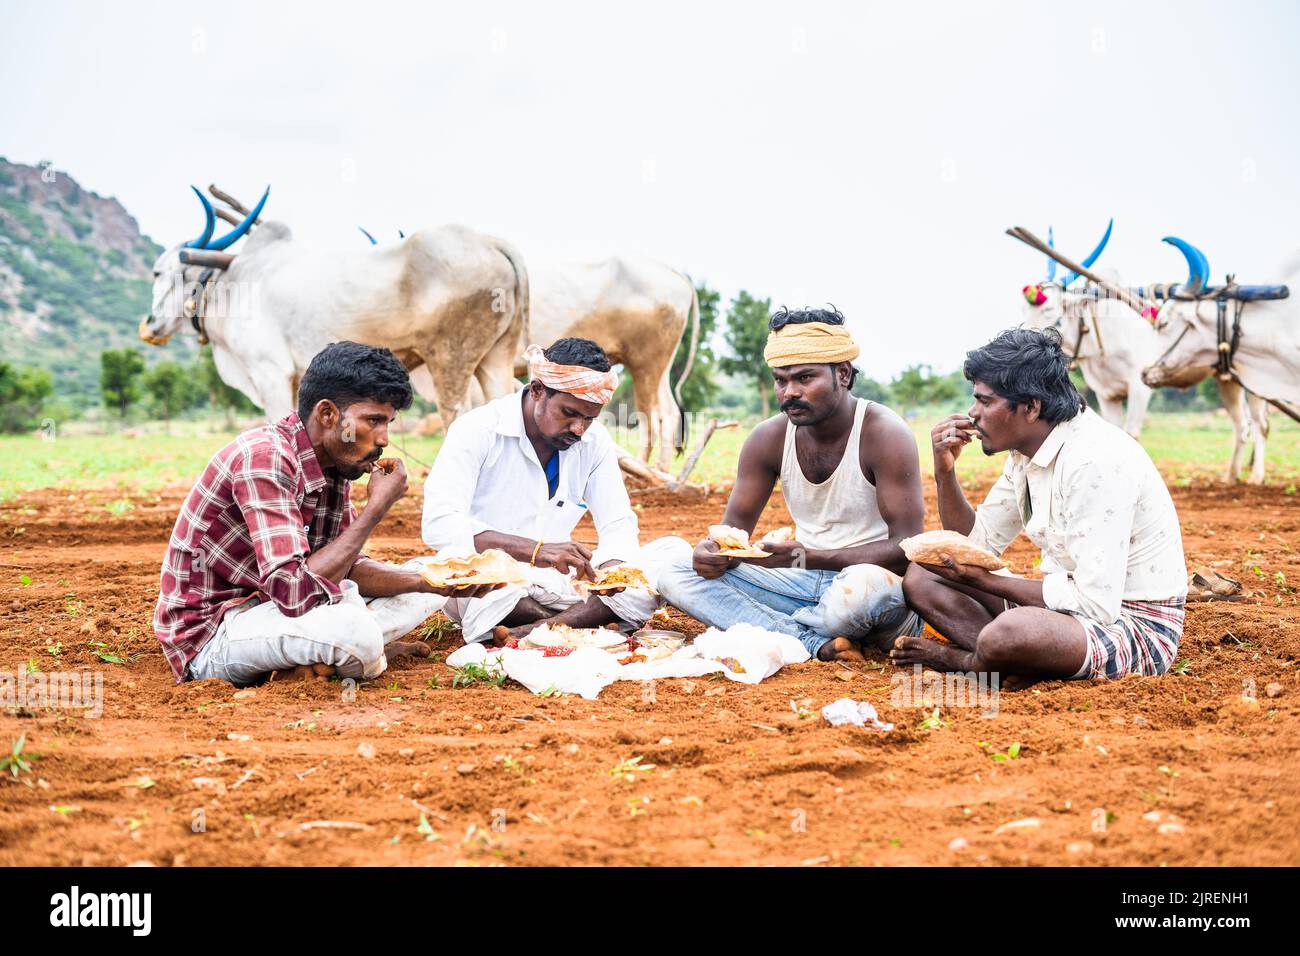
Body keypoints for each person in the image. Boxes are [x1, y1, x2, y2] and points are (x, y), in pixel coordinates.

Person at [153, 342, 496, 686]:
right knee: (354, 631)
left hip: (282, 608)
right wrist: (374, 510)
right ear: (328, 414)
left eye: (388, 422)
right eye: (373, 421)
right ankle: (359, 651)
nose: (384, 439)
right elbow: (293, 592)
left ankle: (336, 652)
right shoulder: (265, 458)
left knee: (443, 567)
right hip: (218, 633)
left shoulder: (335, 462)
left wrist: (434, 584)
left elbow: (347, 567)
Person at [895, 328, 1188, 683]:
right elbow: (975, 546)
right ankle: (1008, 662)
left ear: (1031, 407)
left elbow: (1096, 604)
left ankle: (973, 662)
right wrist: (945, 474)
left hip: (1132, 627)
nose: (972, 414)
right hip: (1067, 610)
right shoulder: (1026, 454)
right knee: (925, 573)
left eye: (985, 402)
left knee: (1011, 631)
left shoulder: (1093, 462)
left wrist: (989, 582)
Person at [656, 307, 925, 662]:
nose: (789, 392)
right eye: (781, 380)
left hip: (872, 583)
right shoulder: (767, 438)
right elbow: (731, 534)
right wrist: (713, 553)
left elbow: (906, 548)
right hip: (799, 582)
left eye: (804, 378)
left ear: (842, 374)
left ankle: (777, 627)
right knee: (673, 570)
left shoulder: (884, 434)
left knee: (857, 597)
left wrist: (804, 558)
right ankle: (811, 641)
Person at [421, 337, 675, 644]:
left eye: (589, 419)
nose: (579, 430)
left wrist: (613, 572)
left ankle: (538, 630)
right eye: (569, 413)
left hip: (563, 584)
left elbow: (618, 523)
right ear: (538, 389)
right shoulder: (477, 429)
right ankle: (583, 622)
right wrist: (537, 550)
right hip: (497, 582)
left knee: (670, 555)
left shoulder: (595, 442)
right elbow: (441, 525)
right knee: (473, 579)